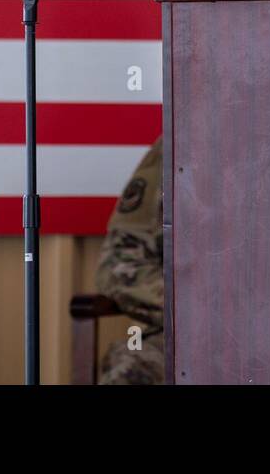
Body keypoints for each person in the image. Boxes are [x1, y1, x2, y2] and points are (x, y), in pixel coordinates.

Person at [94, 138, 165, 384]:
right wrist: (200, 310)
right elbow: (120, 262)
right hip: (198, 334)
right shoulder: (186, 137)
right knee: (132, 373)